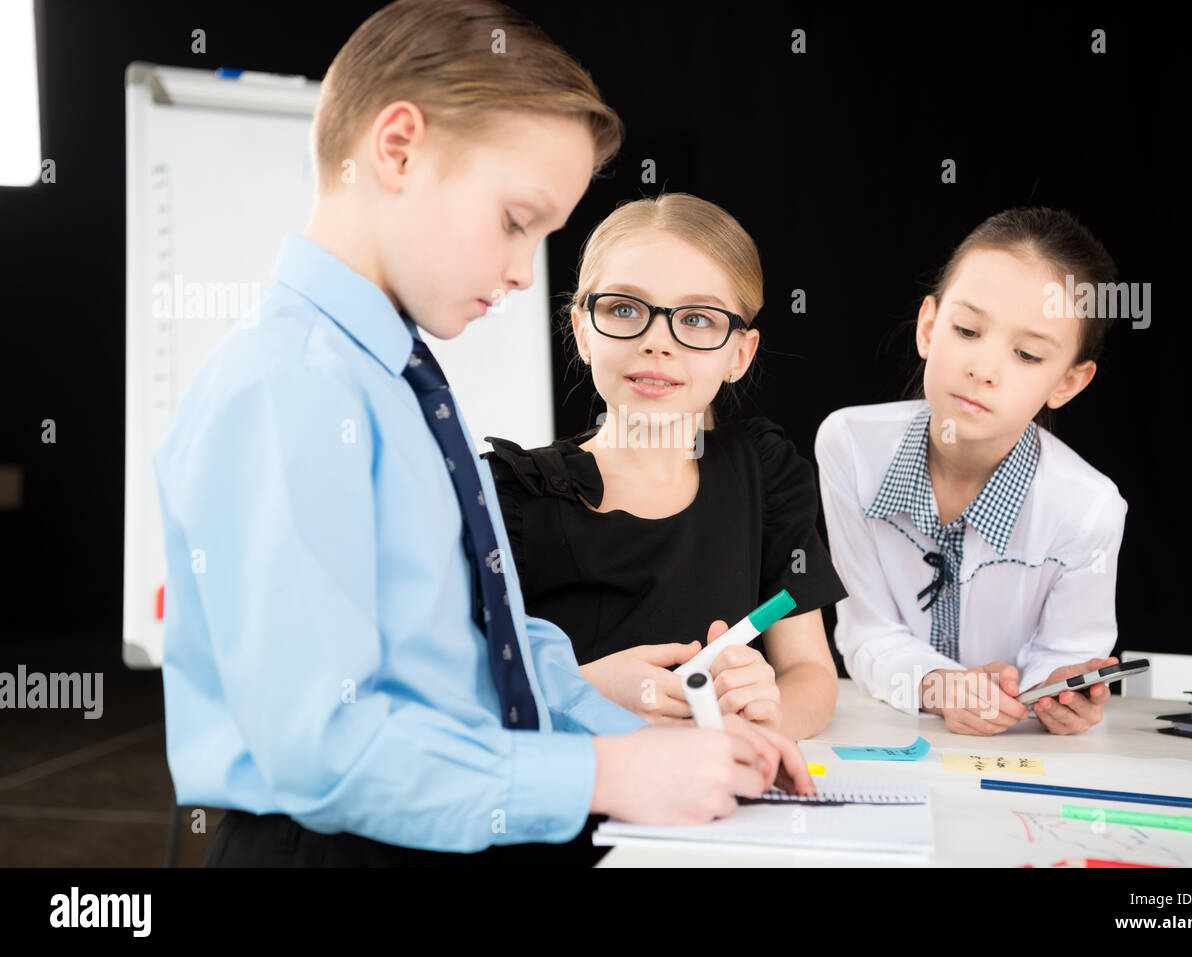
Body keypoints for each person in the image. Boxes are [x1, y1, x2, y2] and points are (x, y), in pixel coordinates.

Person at [154, 0, 812, 869]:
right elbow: (328, 747)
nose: (519, 270)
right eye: (516, 220)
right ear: (398, 148)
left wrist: (680, 742)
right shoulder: (295, 388)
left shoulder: (397, 378)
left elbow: (474, 641)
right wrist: (605, 771)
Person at [483, 193, 846, 741]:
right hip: (578, 805)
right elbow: (464, 694)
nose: (657, 342)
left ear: (738, 355)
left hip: (714, 803)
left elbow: (810, 675)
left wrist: (760, 719)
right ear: (583, 330)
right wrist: (579, 690)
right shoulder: (510, 494)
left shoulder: (764, 474)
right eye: (625, 309)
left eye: (697, 319)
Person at [816, 207, 1127, 735]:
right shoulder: (849, 446)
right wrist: (936, 685)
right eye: (966, 329)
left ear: (1069, 383)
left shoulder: (1089, 508)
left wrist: (1062, 693)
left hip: (1019, 755)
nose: (983, 370)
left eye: (1027, 354)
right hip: (887, 738)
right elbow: (866, 633)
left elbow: (1068, 654)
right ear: (928, 327)